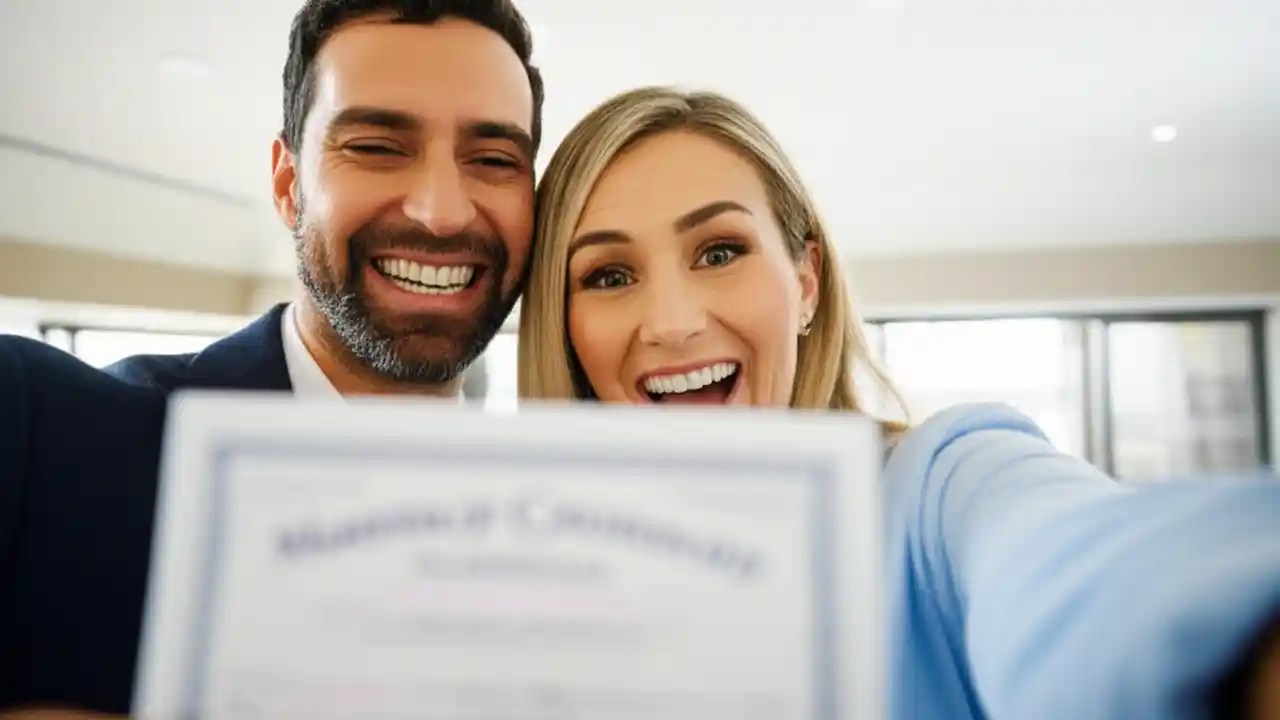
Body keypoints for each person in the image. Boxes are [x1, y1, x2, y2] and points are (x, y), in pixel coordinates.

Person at [517, 86, 1280, 719]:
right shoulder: (527, 576)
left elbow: (1076, 565)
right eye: (609, 276)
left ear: (806, 281)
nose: (675, 321)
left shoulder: (936, 489)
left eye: (720, 252)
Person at [0, 0, 543, 714]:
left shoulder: (550, 537)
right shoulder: (38, 427)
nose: (441, 210)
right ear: (289, 185)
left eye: (494, 159)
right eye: (378, 146)